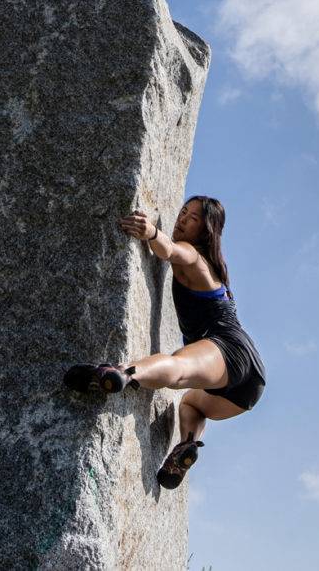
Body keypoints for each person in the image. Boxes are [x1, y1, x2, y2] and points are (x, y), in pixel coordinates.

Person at [63, 196, 265, 489]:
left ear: (206, 230)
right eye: (183, 212)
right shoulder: (217, 271)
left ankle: (123, 373)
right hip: (249, 387)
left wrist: (151, 233)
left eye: (193, 218)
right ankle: (187, 445)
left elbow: (169, 250)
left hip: (229, 349)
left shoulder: (194, 255)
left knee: (179, 367)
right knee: (191, 403)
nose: (182, 219)